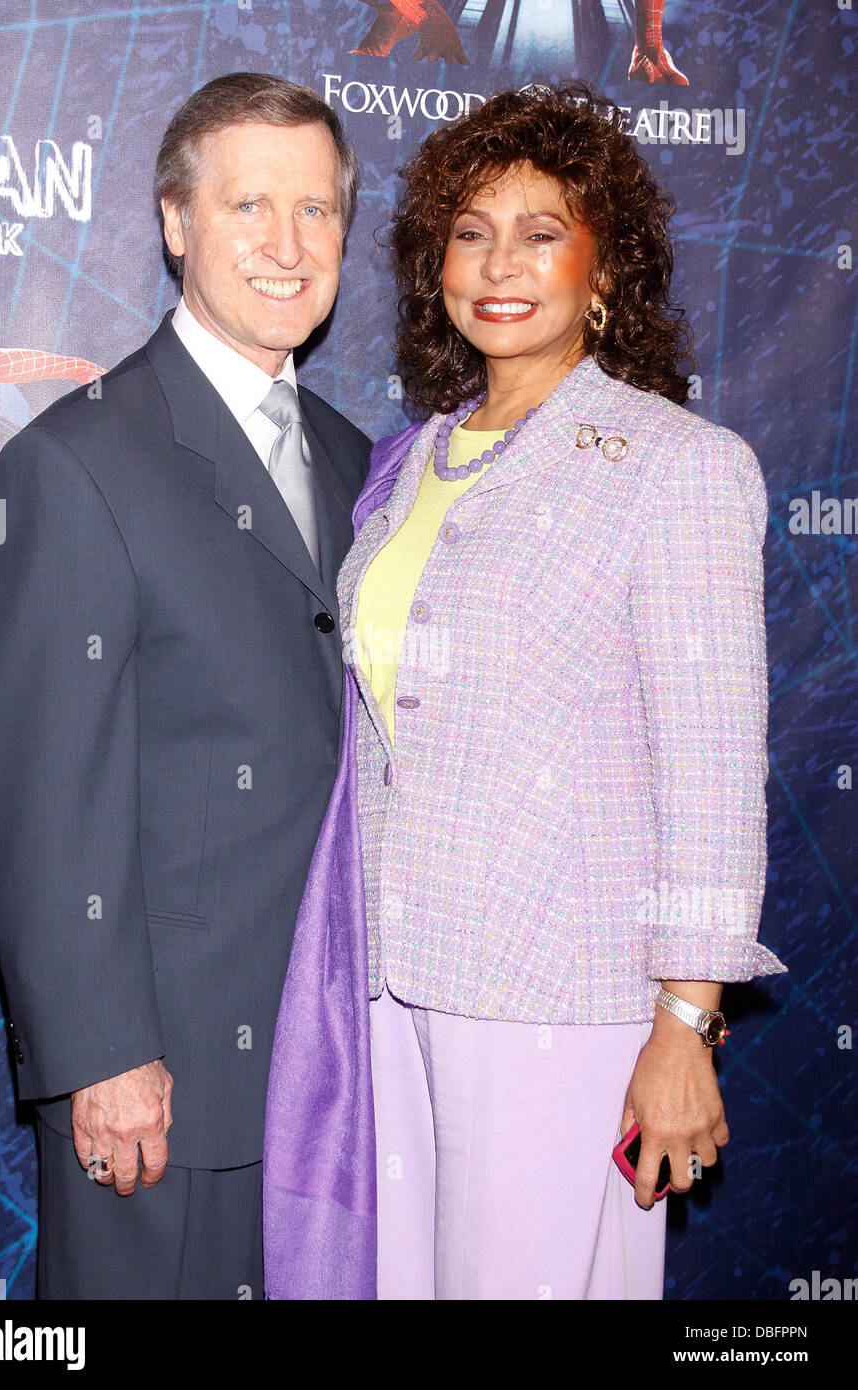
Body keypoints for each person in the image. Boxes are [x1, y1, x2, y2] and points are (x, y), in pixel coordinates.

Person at [262, 80, 786, 1300]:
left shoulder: (675, 466)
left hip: (561, 994)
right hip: (394, 980)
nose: (501, 263)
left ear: (604, 267)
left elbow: (713, 769)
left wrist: (685, 1024)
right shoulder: (408, 469)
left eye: (542, 233)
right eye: (471, 231)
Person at [0, 72, 370, 1300]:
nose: (288, 246)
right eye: (250, 204)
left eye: (318, 211)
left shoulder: (363, 462)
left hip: (340, 1072)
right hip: (167, 1084)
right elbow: (40, 795)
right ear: (174, 221)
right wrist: (104, 1055)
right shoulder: (75, 461)